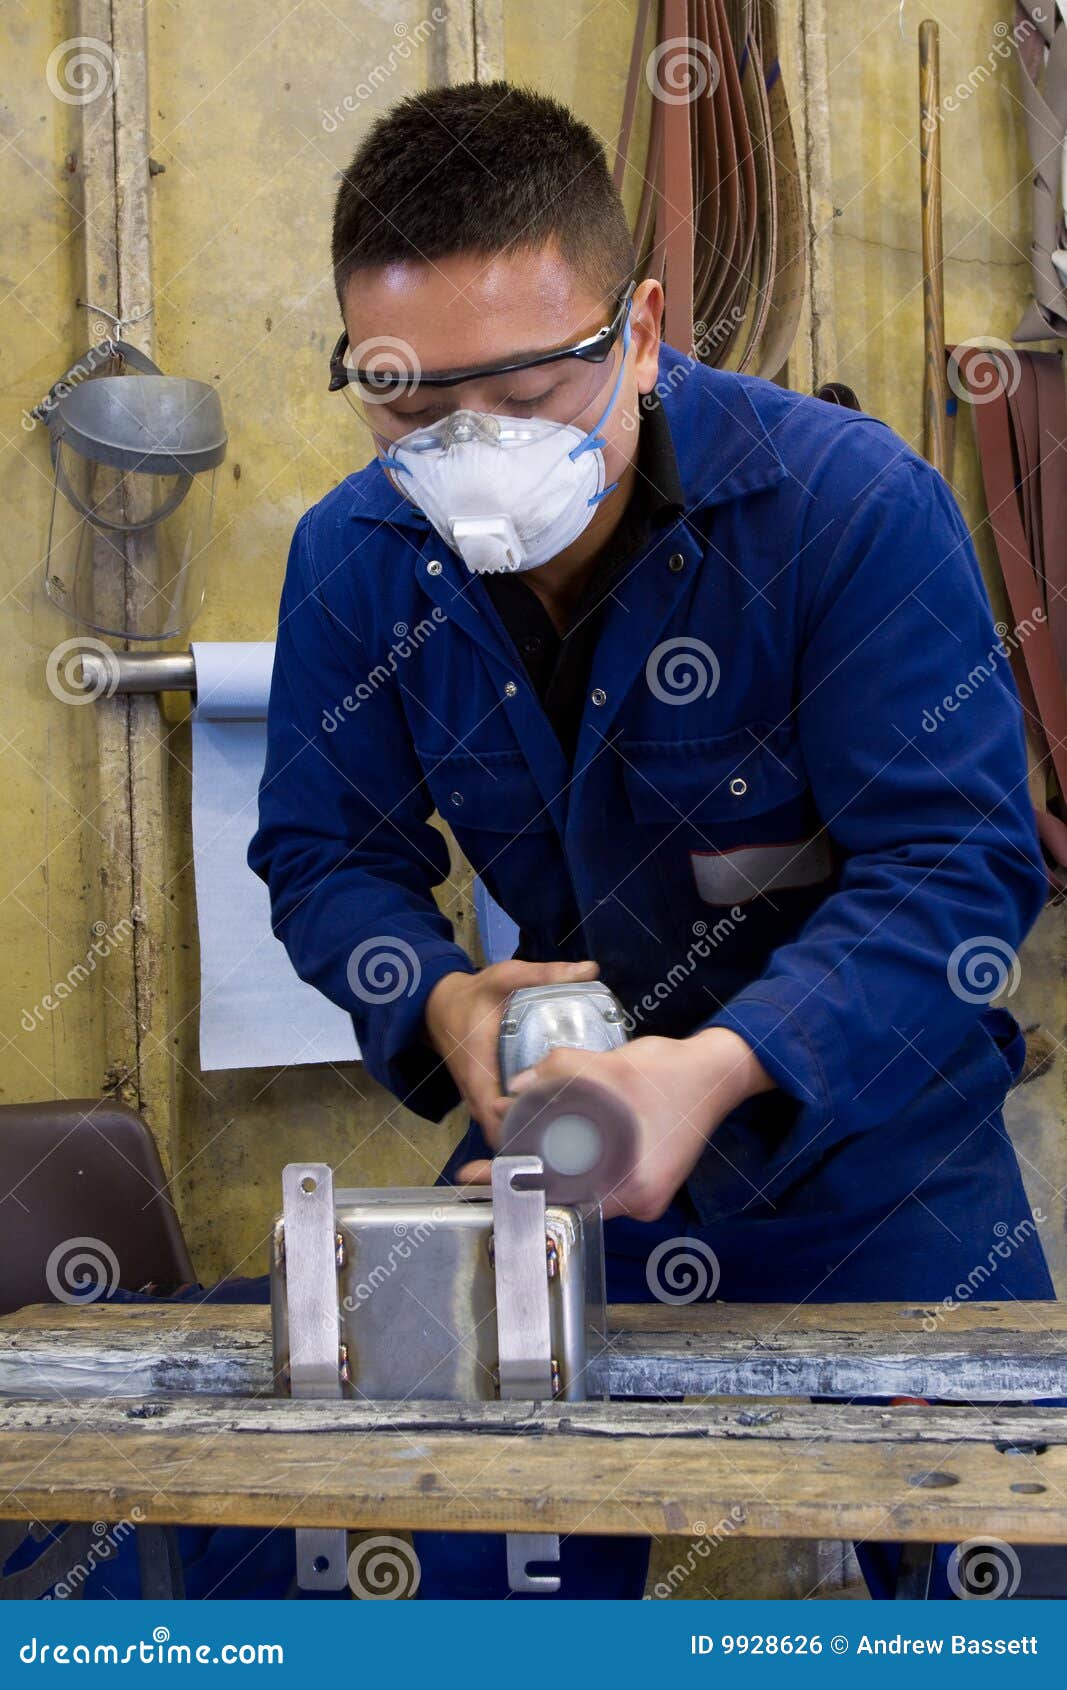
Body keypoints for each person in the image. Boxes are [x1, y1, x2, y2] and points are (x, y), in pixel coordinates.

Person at [248, 81, 1056, 1600]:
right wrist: (440, 994)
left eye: (529, 397)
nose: (468, 451)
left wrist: (719, 1067)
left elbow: (954, 869)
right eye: (409, 403)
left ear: (640, 328)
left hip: (877, 1173)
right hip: (554, 1176)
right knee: (475, 1586)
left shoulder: (844, 512)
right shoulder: (355, 561)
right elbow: (324, 854)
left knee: (1003, 1592)